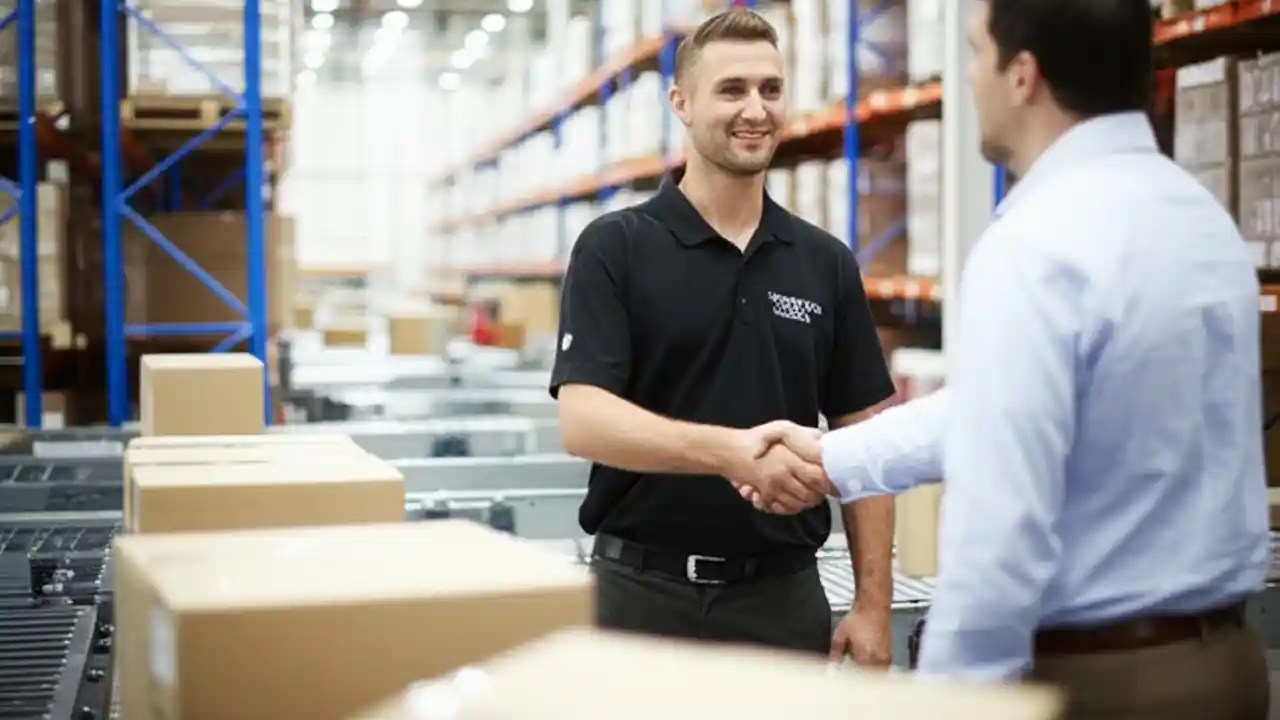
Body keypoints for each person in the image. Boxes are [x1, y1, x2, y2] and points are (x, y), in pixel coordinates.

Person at [748, 0, 1272, 715]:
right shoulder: (1201, 217)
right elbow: (1019, 406)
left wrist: (953, 701)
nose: (969, 77)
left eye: (975, 51)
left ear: (1022, 75)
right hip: (1228, 663)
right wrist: (832, 457)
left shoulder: (1038, 244)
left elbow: (999, 533)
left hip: (1108, 681)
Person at [550, 9, 897, 663]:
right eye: (732, 90)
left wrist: (873, 605)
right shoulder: (615, 247)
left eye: (771, 89)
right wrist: (730, 453)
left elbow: (865, 439)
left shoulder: (824, 261)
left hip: (782, 601)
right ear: (680, 103)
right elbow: (583, 420)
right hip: (640, 596)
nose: (756, 110)